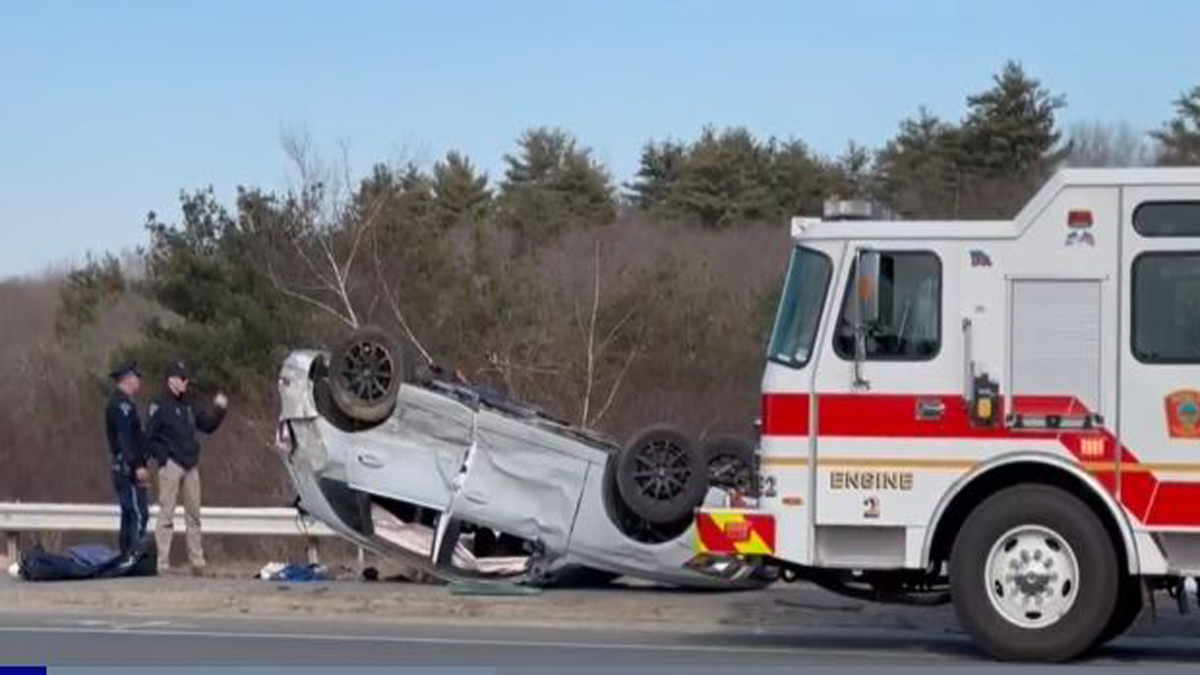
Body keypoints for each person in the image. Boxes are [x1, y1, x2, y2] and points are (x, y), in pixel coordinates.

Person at [147, 360, 229, 575]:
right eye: (182, 378)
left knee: (194, 515)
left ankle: (197, 561)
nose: (186, 382)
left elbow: (207, 426)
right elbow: (150, 437)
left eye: (186, 378)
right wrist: (163, 458)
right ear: (171, 380)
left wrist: (220, 409)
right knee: (166, 514)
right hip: (172, 464)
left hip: (191, 464)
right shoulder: (159, 404)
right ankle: (162, 562)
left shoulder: (189, 404)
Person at [104, 360, 150, 555]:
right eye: (135, 377)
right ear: (127, 379)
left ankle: (126, 553)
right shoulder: (120, 405)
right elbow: (125, 438)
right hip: (127, 466)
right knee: (137, 512)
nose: (138, 381)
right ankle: (134, 553)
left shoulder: (127, 403)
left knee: (128, 512)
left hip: (127, 464)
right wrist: (136, 464)